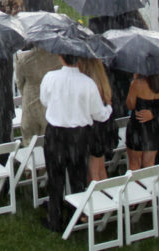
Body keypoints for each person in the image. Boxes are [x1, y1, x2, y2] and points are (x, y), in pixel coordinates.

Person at [40, 54, 113, 233]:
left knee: (55, 178)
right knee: (77, 178)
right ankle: (76, 216)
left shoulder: (50, 78)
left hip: (56, 134)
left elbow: (44, 101)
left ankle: (55, 219)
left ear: (60, 57)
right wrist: (109, 107)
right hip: (78, 137)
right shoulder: (87, 83)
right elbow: (99, 114)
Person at [77, 57, 115, 181]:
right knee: (100, 168)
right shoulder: (102, 83)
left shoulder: (89, 86)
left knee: (93, 172)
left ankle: (96, 197)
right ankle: (106, 195)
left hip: (92, 130)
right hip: (102, 129)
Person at [15, 44, 60, 143]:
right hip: (50, 102)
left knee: (29, 140)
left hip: (30, 101)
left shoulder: (23, 59)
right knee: (48, 138)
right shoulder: (57, 58)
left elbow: (19, 83)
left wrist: (26, 94)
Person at [125, 72, 159, 171]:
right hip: (154, 128)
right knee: (149, 164)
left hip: (137, 127)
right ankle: (149, 186)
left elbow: (130, 105)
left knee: (135, 164)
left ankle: (136, 186)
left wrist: (133, 82)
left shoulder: (136, 84)